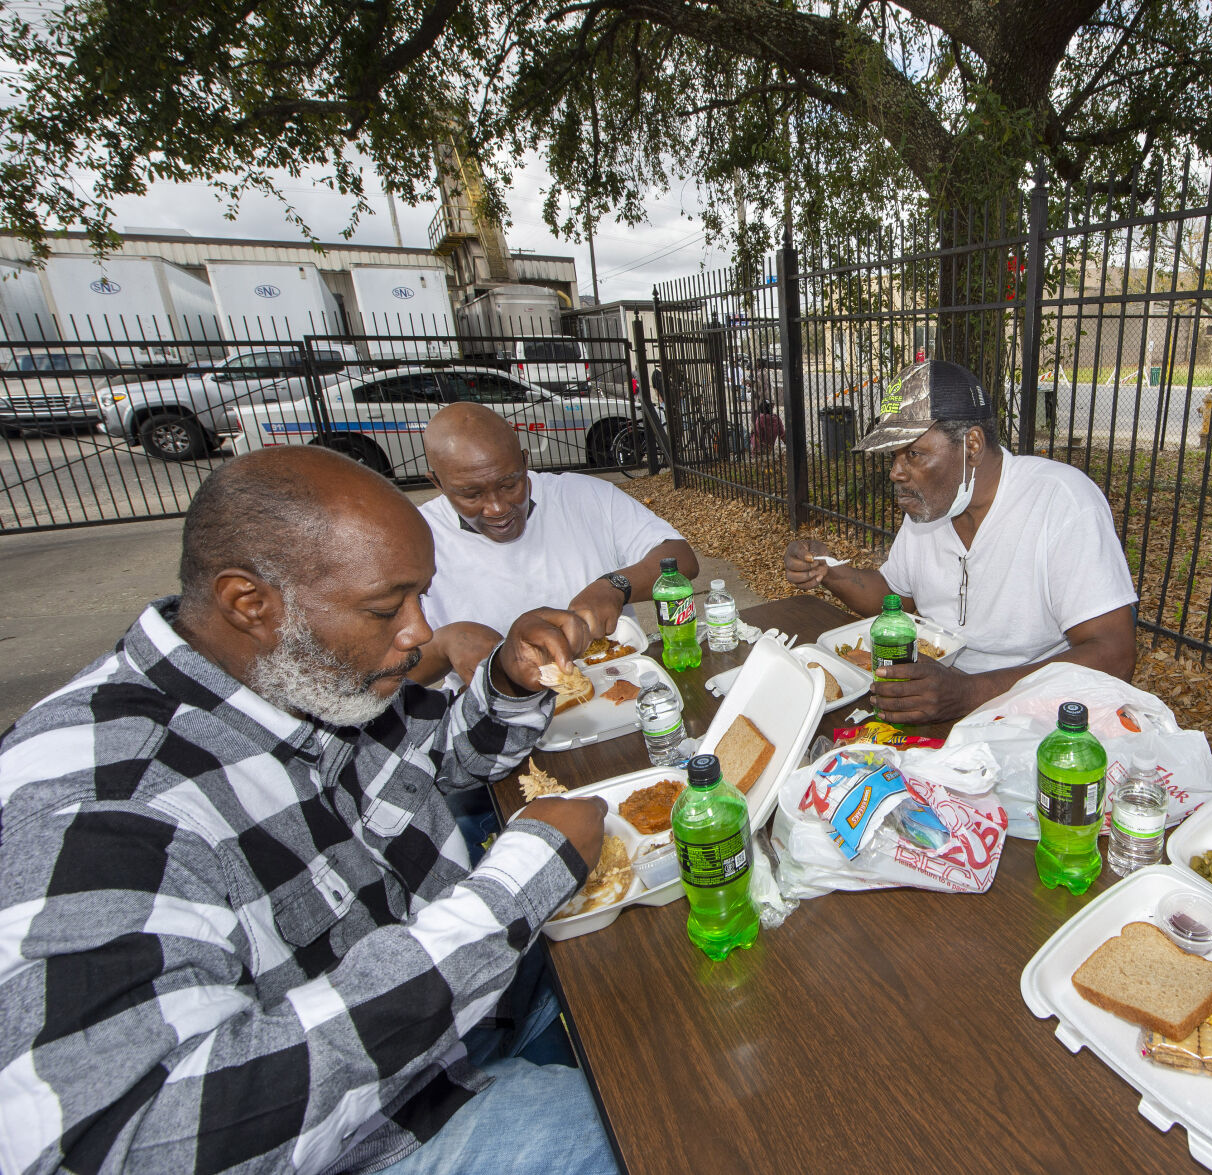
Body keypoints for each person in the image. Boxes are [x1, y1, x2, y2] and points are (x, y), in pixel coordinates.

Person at [0, 447, 618, 1174]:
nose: (420, 632)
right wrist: (505, 895)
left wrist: (510, 681)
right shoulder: (95, 801)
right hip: (379, 1130)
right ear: (249, 602)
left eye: (421, 597)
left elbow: (442, 756)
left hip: (469, 1013)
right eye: (388, 607)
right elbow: (117, 1144)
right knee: (663, 1137)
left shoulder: (295, 671)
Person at [783, 359, 1137, 724]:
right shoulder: (933, 508)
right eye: (894, 456)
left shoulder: (1061, 502)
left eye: (914, 454)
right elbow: (894, 594)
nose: (895, 472)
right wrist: (829, 572)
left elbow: (1114, 654)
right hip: (941, 697)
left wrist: (970, 693)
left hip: (1036, 714)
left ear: (972, 445)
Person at [412, 403, 699, 685]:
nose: (497, 508)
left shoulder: (585, 496)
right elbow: (382, 681)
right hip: (493, 720)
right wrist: (443, 647)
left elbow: (681, 558)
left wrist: (615, 586)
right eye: (471, 494)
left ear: (525, 462)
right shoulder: (412, 540)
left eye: (509, 485)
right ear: (437, 483)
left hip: (617, 689)